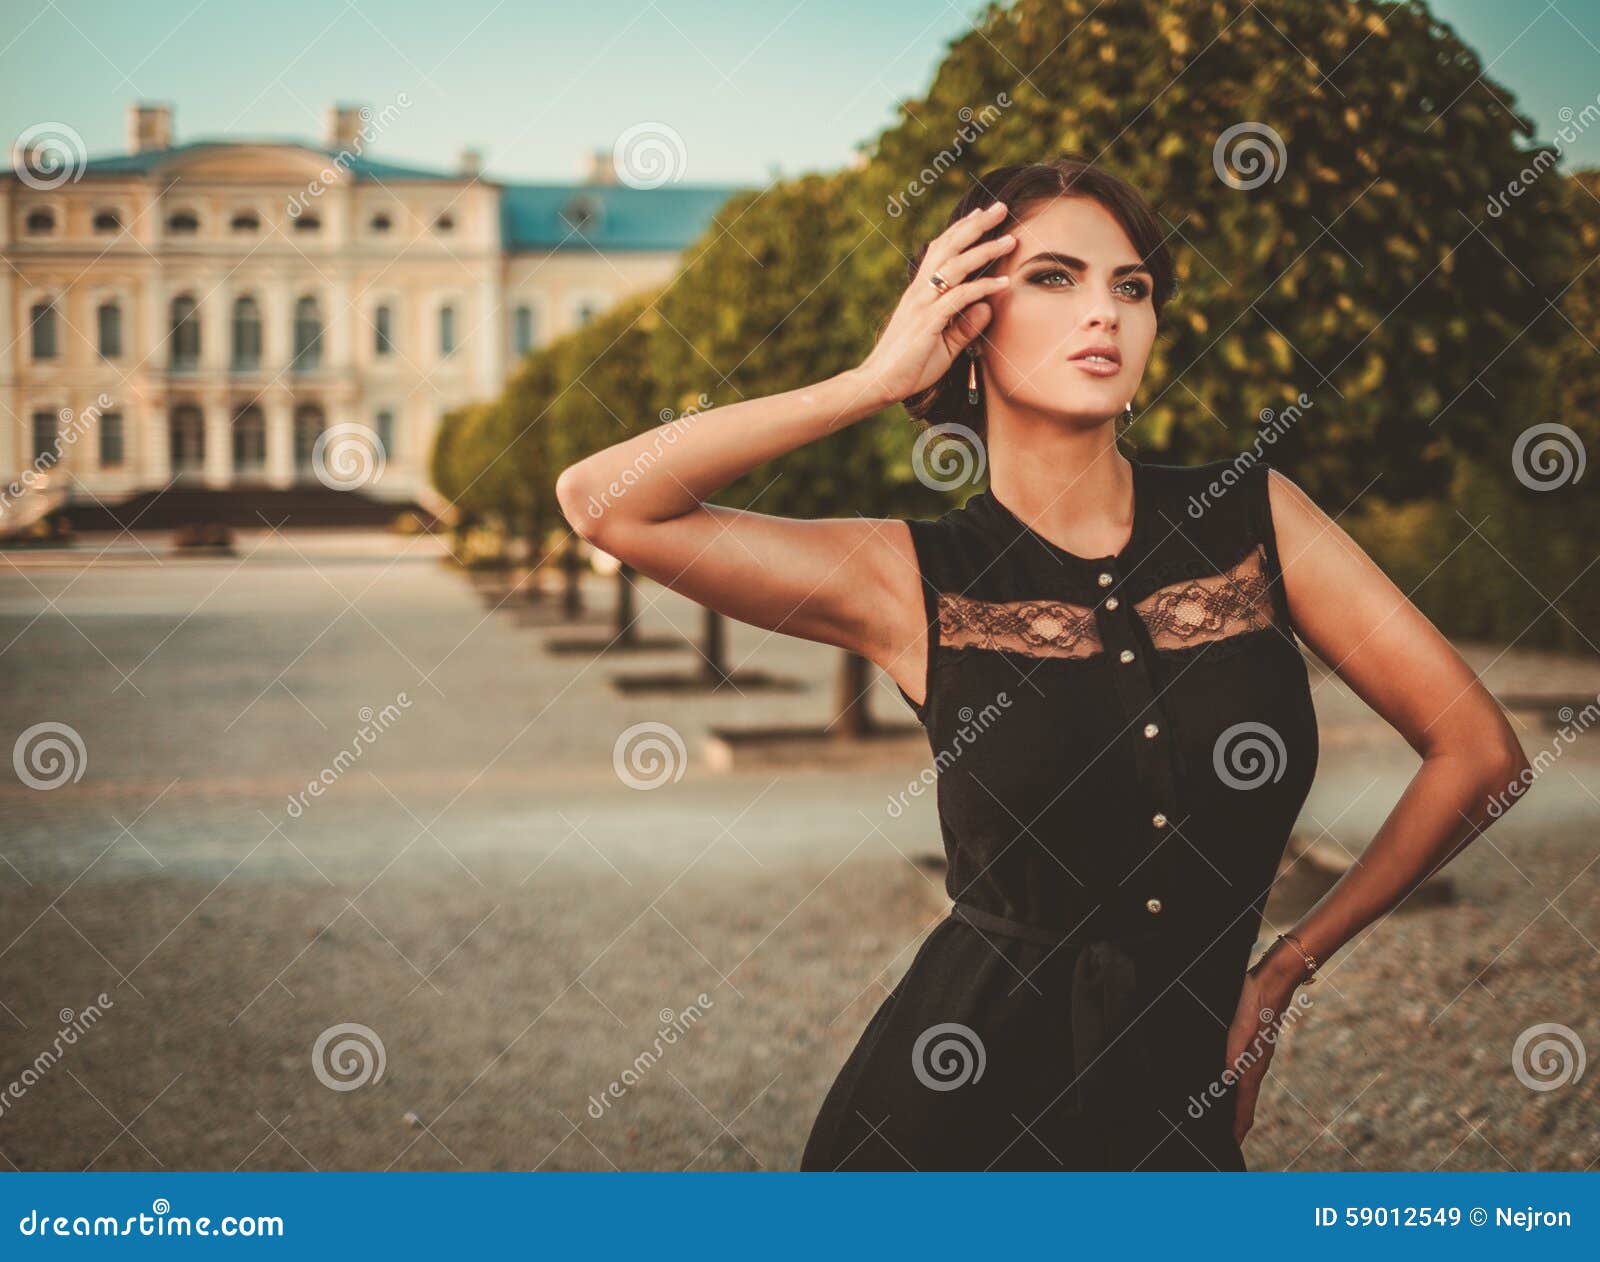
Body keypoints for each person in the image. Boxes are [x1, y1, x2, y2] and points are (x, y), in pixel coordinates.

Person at [554, 157, 1533, 1170]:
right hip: (947, 1122)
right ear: (968, 319)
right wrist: (870, 381)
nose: (1103, 311)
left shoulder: (1255, 516)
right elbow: (606, 501)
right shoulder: (910, 575)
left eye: (1132, 284)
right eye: (1055, 277)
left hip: (1174, 1106)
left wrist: (1287, 965)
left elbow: (1476, 751)